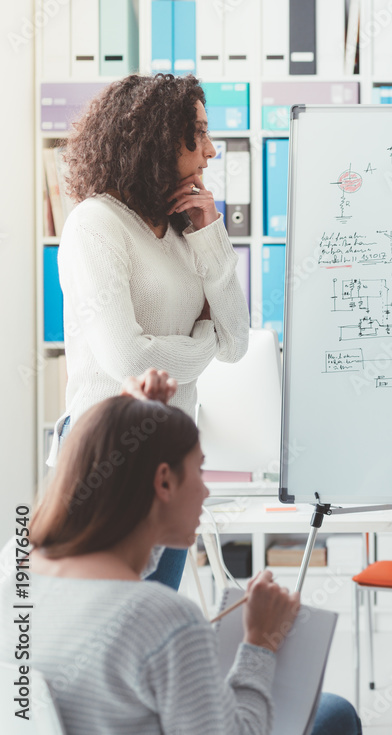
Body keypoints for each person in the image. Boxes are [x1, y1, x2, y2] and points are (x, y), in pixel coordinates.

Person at [1, 382, 361, 735]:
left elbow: (122, 525)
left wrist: (128, 428)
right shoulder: (165, 619)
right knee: (335, 713)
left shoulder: (13, 572)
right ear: (164, 482)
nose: (205, 490)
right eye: (200, 471)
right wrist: (261, 642)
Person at [53, 73, 251, 589]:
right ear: (160, 137)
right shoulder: (95, 224)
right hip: (108, 457)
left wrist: (211, 234)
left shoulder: (185, 227)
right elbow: (131, 361)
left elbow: (237, 341)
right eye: (200, 134)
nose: (211, 152)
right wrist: (203, 341)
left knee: (153, 619)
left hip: (171, 457)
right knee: (107, 636)